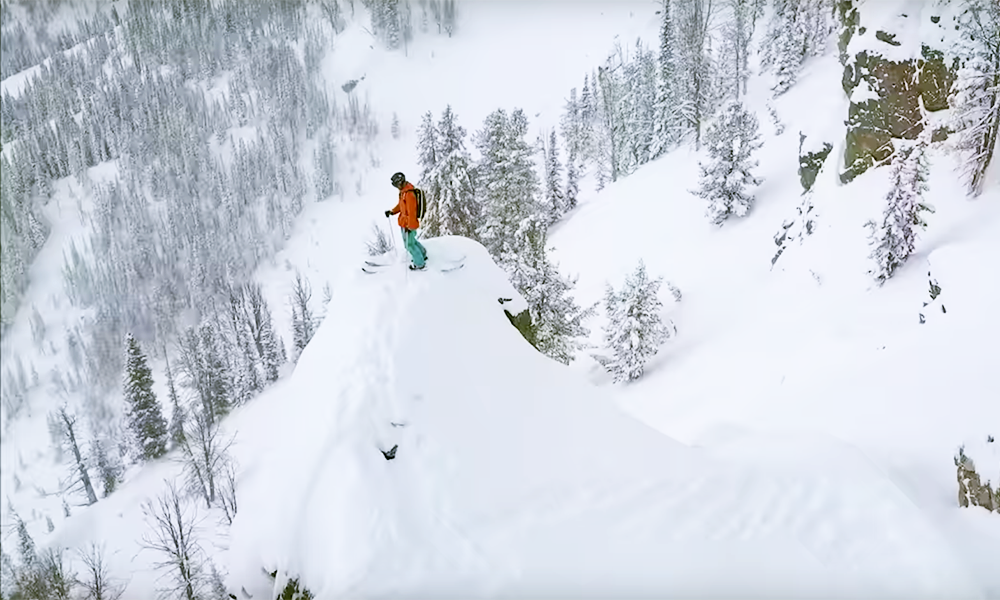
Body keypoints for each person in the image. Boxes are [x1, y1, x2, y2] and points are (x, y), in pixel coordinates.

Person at [385, 172, 428, 270]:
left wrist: (410, 226)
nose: (396, 187)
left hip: (409, 224)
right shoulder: (403, 192)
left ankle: (419, 263)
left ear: (401, 182)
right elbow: (401, 205)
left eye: (397, 185)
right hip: (405, 223)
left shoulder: (409, 194)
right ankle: (422, 254)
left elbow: (412, 212)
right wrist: (392, 211)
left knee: (409, 245)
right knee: (412, 242)